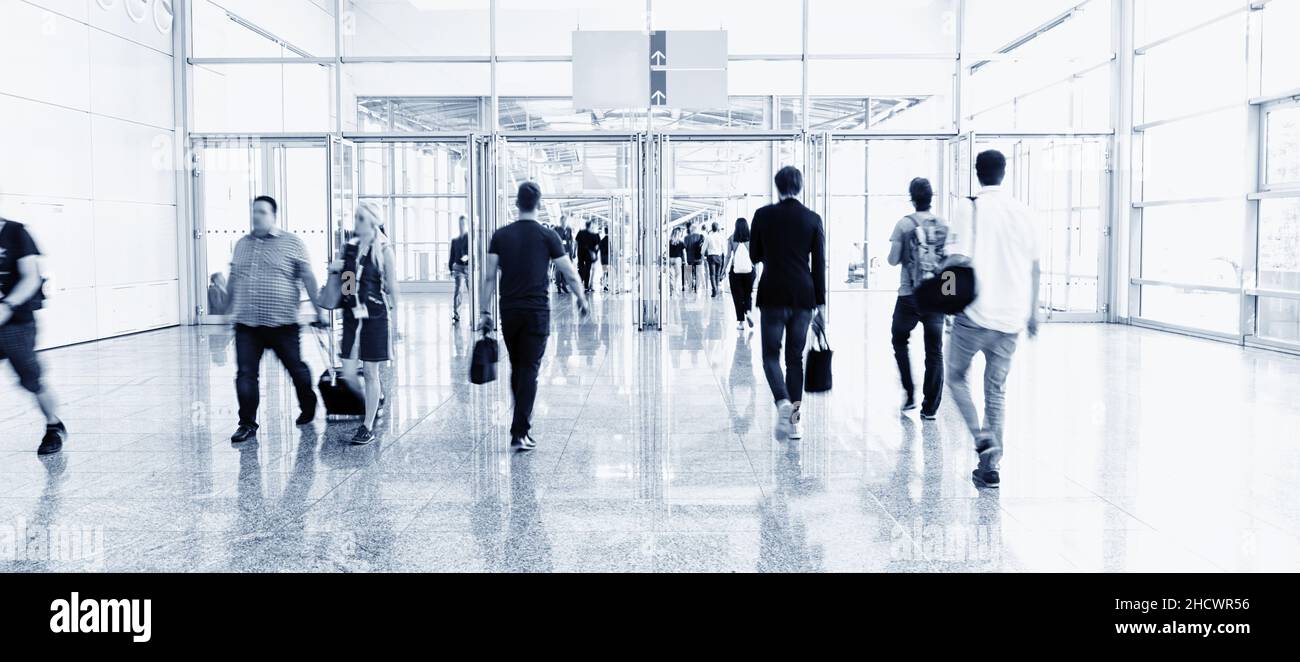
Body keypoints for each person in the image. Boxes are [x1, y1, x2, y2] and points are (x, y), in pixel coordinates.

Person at [944, 150, 1042, 489]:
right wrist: (1032, 313)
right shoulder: (1024, 212)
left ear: (977, 173)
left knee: (955, 377)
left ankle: (981, 435)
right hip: (1011, 319)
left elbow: (957, 257)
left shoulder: (968, 206)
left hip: (973, 315)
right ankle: (991, 468)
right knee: (996, 391)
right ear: (1004, 173)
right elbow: (1034, 266)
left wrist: (944, 298)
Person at [480, 182, 590, 451]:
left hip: (509, 311)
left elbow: (489, 277)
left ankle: (520, 424)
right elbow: (569, 272)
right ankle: (520, 431)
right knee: (529, 369)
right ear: (538, 205)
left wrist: (484, 312)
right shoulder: (547, 235)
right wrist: (582, 298)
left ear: (517, 204)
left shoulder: (501, 235)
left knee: (518, 367)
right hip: (536, 312)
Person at [226, 195, 329, 443]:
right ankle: (247, 423)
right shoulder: (241, 244)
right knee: (245, 375)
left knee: (296, 370)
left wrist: (319, 310)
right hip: (247, 324)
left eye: (262, 212)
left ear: (273, 215)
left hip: (282, 323)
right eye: (254, 211)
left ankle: (308, 404)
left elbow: (308, 278)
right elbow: (233, 279)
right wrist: (224, 305)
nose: (256, 216)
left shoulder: (292, 243)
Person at [749, 166, 826, 441]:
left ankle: (781, 401)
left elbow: (755, 255)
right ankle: (795, 424)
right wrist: (822, 305)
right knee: (795, 359)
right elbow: (819, 264)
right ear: (801, 187)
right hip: (803, 296)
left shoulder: (762, 215)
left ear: (777, 187)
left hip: (772, 293)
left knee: (771, 355)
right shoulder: (812, 219)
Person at [328, 203, 399, 445]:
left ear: (371, 222)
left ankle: (367, 425)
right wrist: (339, 270)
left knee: (370, 371)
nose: (355, 222)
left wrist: (395, 318)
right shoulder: (350, 248)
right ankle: (375, 397)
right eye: (355, 217)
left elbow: (392, 287)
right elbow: (347, 286)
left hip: (376, 316)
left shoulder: (384, 249)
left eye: (360, 218)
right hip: (351, 316)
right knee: (348, 372)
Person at [0, 215, 66, 454]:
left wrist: (7, 306)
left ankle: (53, 425)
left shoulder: (15, 232)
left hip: (14, 322)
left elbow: (31, 277)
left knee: (31, 379)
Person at [887, 177, 948, 420]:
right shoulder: (944, 224)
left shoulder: (904, 224)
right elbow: (949, 264)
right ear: (931, 197)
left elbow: (892, 260)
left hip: (909, 295)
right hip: (936, 296)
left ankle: (910, 393)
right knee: (935, 351)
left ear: (912, 198)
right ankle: (930, 407)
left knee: (899, 340)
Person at [723, 217, 756, 330]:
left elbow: (728, 256)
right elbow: (756, 256)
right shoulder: (752, 238)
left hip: (735, 271)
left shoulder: (732, 238)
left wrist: (723, 270)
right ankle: (748, 311)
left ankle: (741, 323)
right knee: (748, 294)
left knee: (737, 296)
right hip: (749, 271)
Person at [449, 215, 470, 323]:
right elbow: (452, 255)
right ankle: (456, 314)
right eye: (460, 224)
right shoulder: (455, 240)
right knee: (459, 290)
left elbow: (474, 252)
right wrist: (450, 269)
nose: (461, 226)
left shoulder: (470, 238)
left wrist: (468, 257)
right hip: (458, 268)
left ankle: (475, 314)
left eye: (463, 224)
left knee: (473, 291)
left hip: (469, 268)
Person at [575, 220, 601, 294]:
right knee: (587, 270)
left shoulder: (580, 232)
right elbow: (596, 247)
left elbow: (576, 243)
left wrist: (575, 251)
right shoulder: (594, 235)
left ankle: (580, 285)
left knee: (581, 269)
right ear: (590, 226)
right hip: (589, 255)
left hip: (580, 253)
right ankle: (586, 287)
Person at [705, 221, 727, 297]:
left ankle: (715, 290)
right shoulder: (721, 237)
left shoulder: (708, 237)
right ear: (718, 228)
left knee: (712, 274)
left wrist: (703, 255)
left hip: (711, 257)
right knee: (717, 274)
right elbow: (725, 250)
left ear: (712, 228)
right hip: (719, 257)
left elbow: (703, 249)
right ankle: (716, 289)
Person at [554, 215, 575, 293]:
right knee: (558, 269)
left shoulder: (569, 229)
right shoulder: (557, 229)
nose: (564, 223)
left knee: (565, 270)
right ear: (560, 221)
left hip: (566, 252)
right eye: (563, 221)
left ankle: (564, 285)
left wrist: (571, 253)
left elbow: (571, 241)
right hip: (558, 252)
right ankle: (558, 285)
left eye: (566, 221)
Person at [683, 223, 706, 294]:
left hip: (689, 258)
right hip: (698, 258)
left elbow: (685, 249)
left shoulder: (686, 238)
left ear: (691, 229)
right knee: (698, 273)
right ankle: (696, 288)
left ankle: (690, 287)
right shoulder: (700, 237)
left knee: (689, 273)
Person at [668, 227, 685, 295]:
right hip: (678, 259)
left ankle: (671, 290)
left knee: (671, 275)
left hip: (670, 259)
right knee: (677, 275)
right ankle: (676, 289)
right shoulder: (681, 242)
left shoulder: (669, 242)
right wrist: (685, 261)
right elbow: (684, 253)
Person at [599, 224, 612, 293]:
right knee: (607, 273)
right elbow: (610, 250)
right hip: (607, 259)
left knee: (604, 272)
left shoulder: (602, 240)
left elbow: (600, 249)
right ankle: (605, 285)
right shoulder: (608, 240)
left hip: (603, 259)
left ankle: (604, 285)